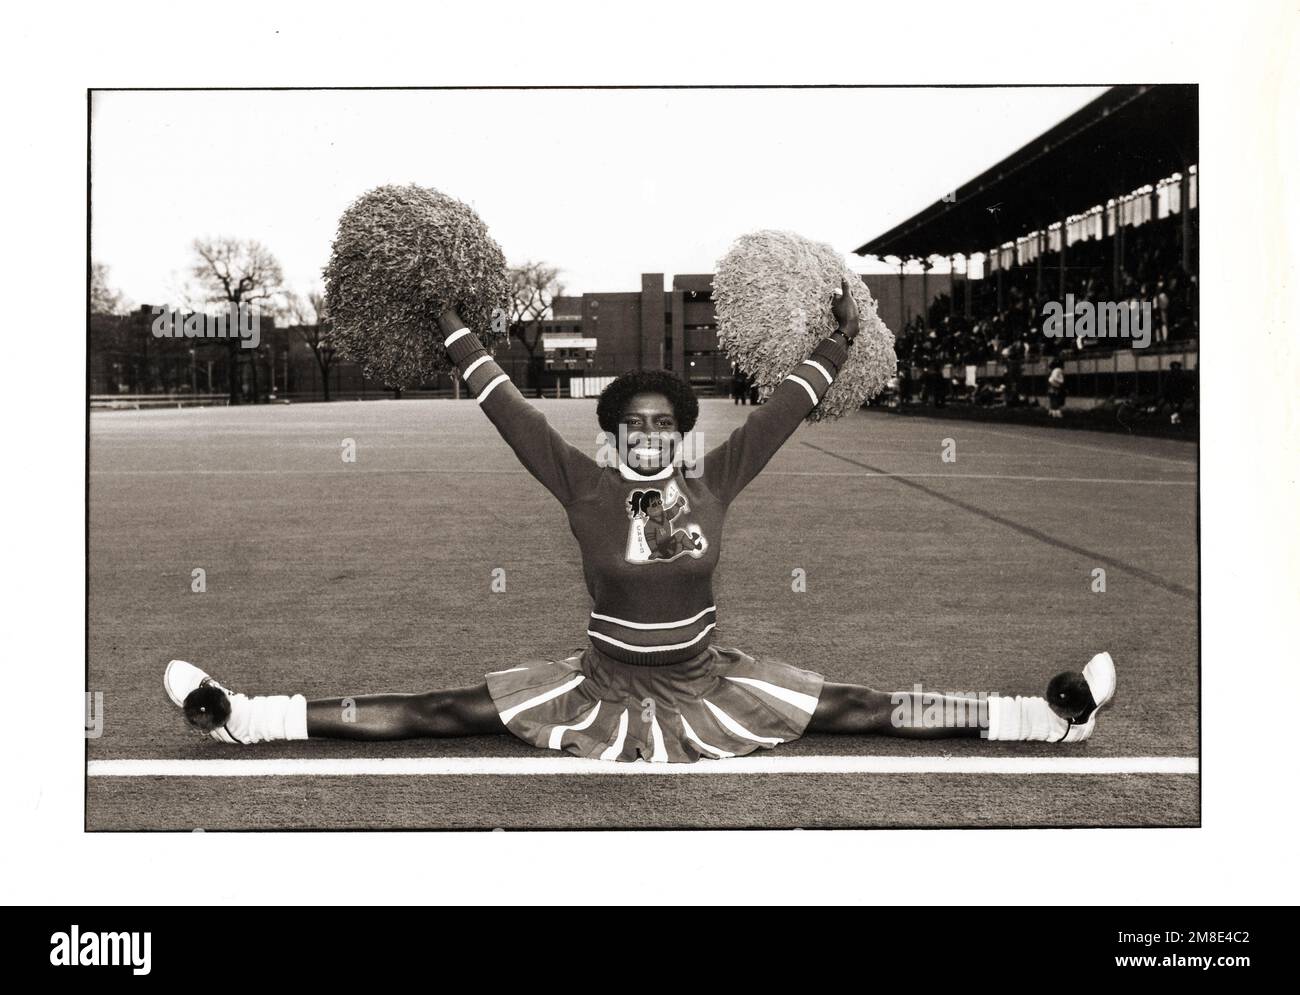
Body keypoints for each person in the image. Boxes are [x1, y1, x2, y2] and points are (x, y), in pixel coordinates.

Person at [165, 280, 1116, 761]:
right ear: (615, 433)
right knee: (444, 709)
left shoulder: (719, 477)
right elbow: (510, 408)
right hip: (603, 684)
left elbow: (785, 407)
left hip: (708, 680)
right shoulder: (580, 483)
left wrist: (838, 337)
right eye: (635, 426)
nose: (652, 436)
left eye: (666, 425)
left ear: (682, 435)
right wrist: (458, 329)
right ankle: (246, 716)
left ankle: (1046, 716)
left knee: (859, 705)